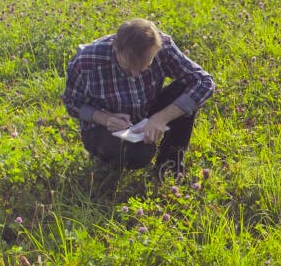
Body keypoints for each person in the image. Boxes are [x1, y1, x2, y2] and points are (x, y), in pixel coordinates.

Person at [62, 18, 214, 179]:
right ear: (115, 47)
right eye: (128, 67)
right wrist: (105, 118)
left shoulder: (163, 47)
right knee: (140, 154)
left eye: (144, 67)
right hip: (104, 126)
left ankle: (169, 167)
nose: (135, 75)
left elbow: (204, 82)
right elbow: (71, 102)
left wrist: (161, 118)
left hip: (146, 110)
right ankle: (107, 162)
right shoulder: (87, 60)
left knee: (187, 91)